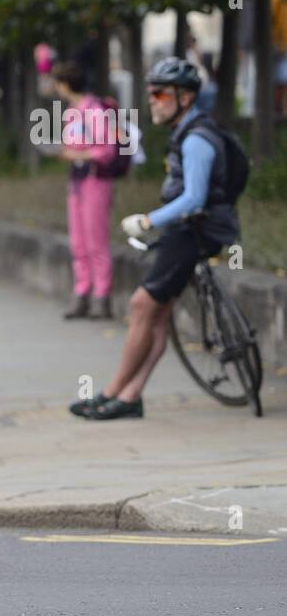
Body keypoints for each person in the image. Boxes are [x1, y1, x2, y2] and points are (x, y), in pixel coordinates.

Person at [70, 57, 241, 420]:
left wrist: (148, 221)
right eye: (150, 94)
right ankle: (130, 395)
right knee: (157, 316)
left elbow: (194, 197)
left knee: (141, 307)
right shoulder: (188, 131)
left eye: (160, 93)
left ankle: (114, 391)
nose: (153, 100)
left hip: (195, 232)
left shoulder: (196, 139)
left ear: (185, 98)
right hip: (192, 229)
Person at [50, 60, 119, 320]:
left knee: (96, 240)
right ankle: (82, 291)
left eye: (58, 84)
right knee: (78, 241)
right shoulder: (72, 112)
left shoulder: (94, 111)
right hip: (77, 181)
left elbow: (107, 150)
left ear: (66, 84)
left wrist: (79, 154)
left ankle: (103, 295)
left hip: (95, 181)